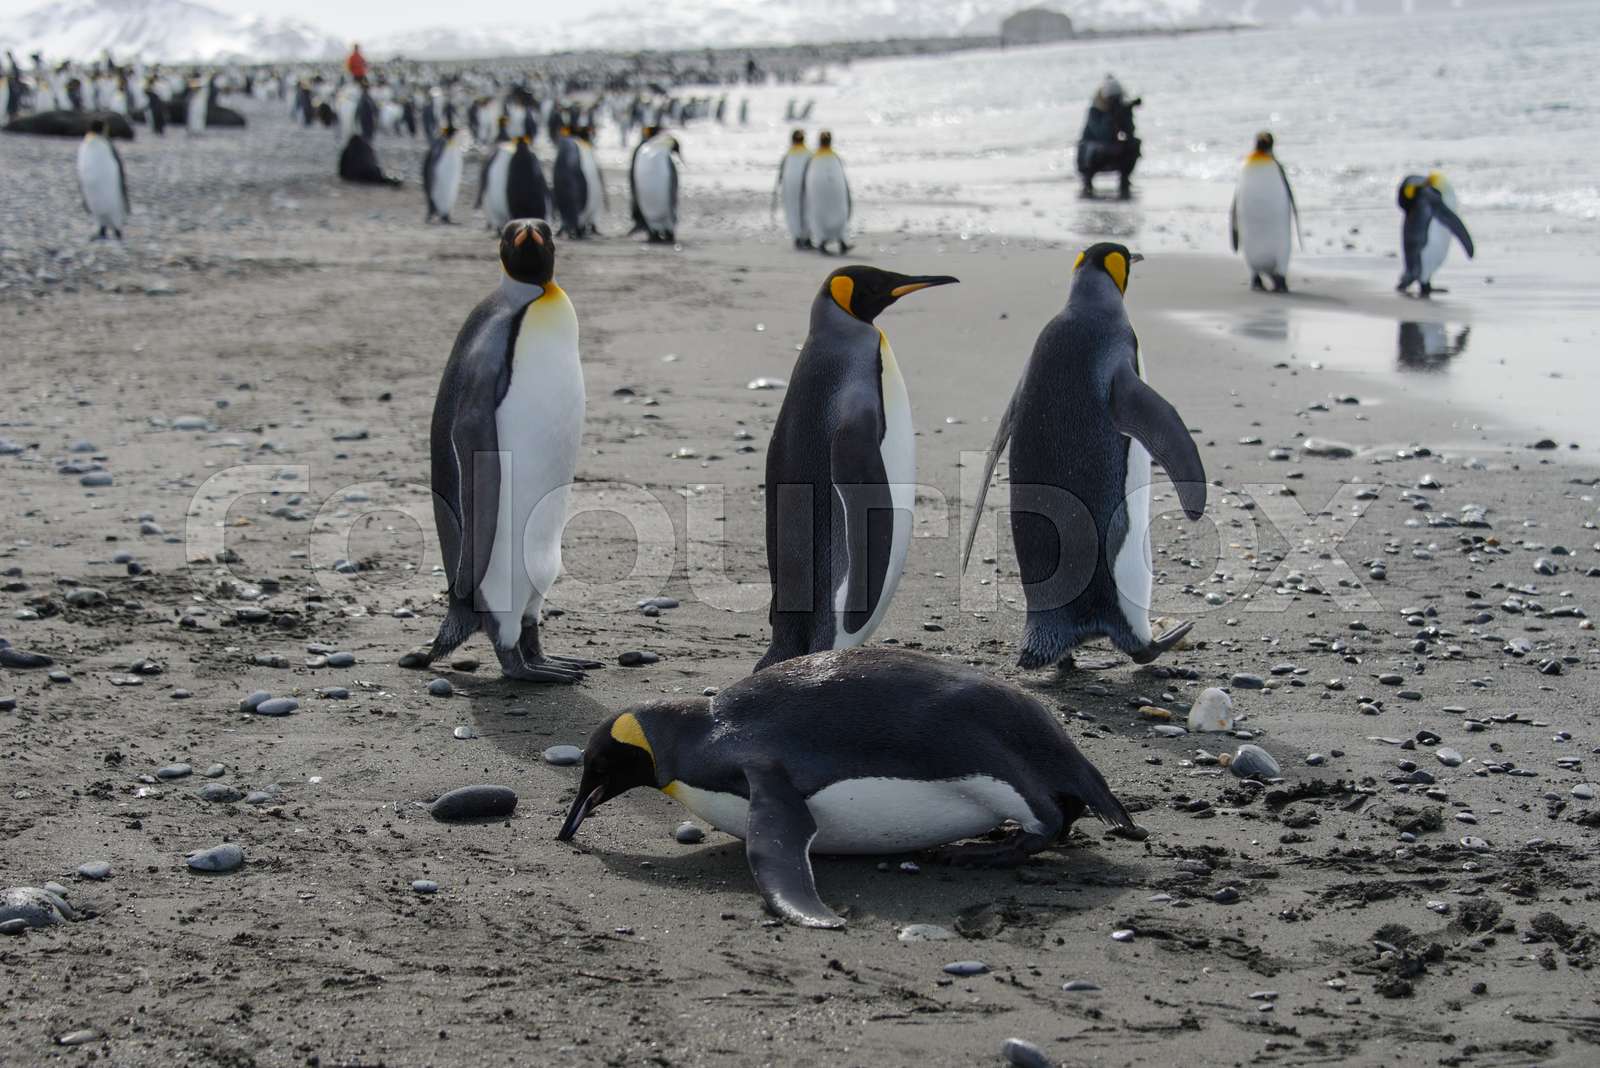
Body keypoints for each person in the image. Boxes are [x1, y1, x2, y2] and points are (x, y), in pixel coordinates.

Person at [1076, 74, 1141, 198]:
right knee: (1094, 148)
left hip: (1112, 151)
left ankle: (1124, 180)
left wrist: (1126, 114)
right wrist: (1110, 117)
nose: (1115, 102)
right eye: (1112, 99)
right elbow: (1102, 134)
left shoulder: (1122, 110)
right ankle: (1087, 181)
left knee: (1134, 144)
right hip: (1092, 155)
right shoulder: (1095, 111)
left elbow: (1130, 133)